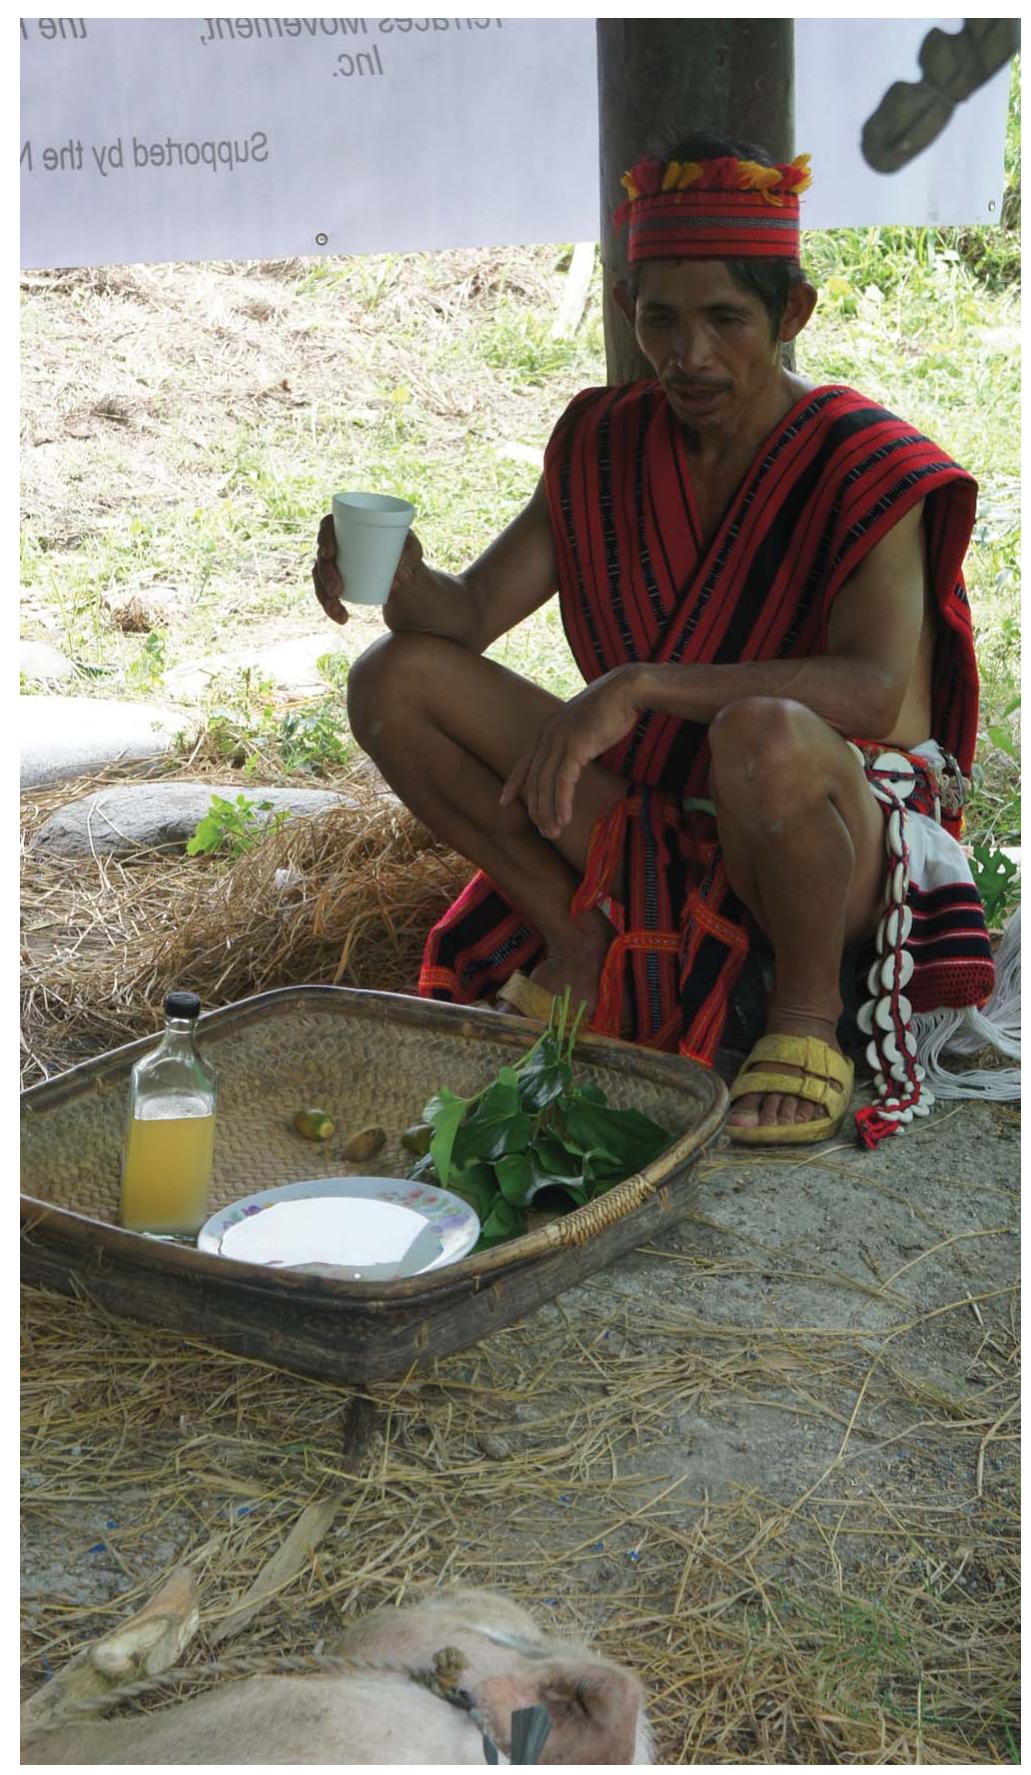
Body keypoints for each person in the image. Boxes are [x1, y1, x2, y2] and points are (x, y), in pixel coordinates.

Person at [312, 133, 995, 1148]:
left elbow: (868, 694)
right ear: (626, 305)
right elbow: (464, 616)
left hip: (829, 834)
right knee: (393, 678)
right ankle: (581, 936)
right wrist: (400, 578)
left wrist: (637, 686)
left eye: (725, 319)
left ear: (792, 314)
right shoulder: (603, 443)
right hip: (657, 819)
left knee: (763, 733)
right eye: (660, 319)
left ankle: (805, 1014)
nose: (689, 355)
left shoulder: (864, 462)